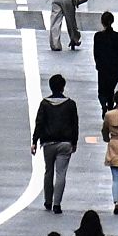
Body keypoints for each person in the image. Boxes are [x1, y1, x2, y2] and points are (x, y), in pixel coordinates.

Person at [31, 73, 78, 214]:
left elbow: (39, 123)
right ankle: (57, 204)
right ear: (63, 87)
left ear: (50, 87)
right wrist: (74, 142)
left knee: (48, 171)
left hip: (48, 143)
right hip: (65, 143)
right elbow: (75, 125)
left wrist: (34, 141)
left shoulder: (45, 104)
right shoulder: (70, 104)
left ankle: (48, 201)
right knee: (61, 173)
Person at [93, 13, 118, 116]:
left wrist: (98, 63)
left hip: (103, 67)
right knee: (111, 88)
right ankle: (110, 106)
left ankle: (104, 106)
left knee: (102, 89)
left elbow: (96, 52)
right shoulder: (117, 36)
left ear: (102, 22)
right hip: (115, 67)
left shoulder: (98, 36)